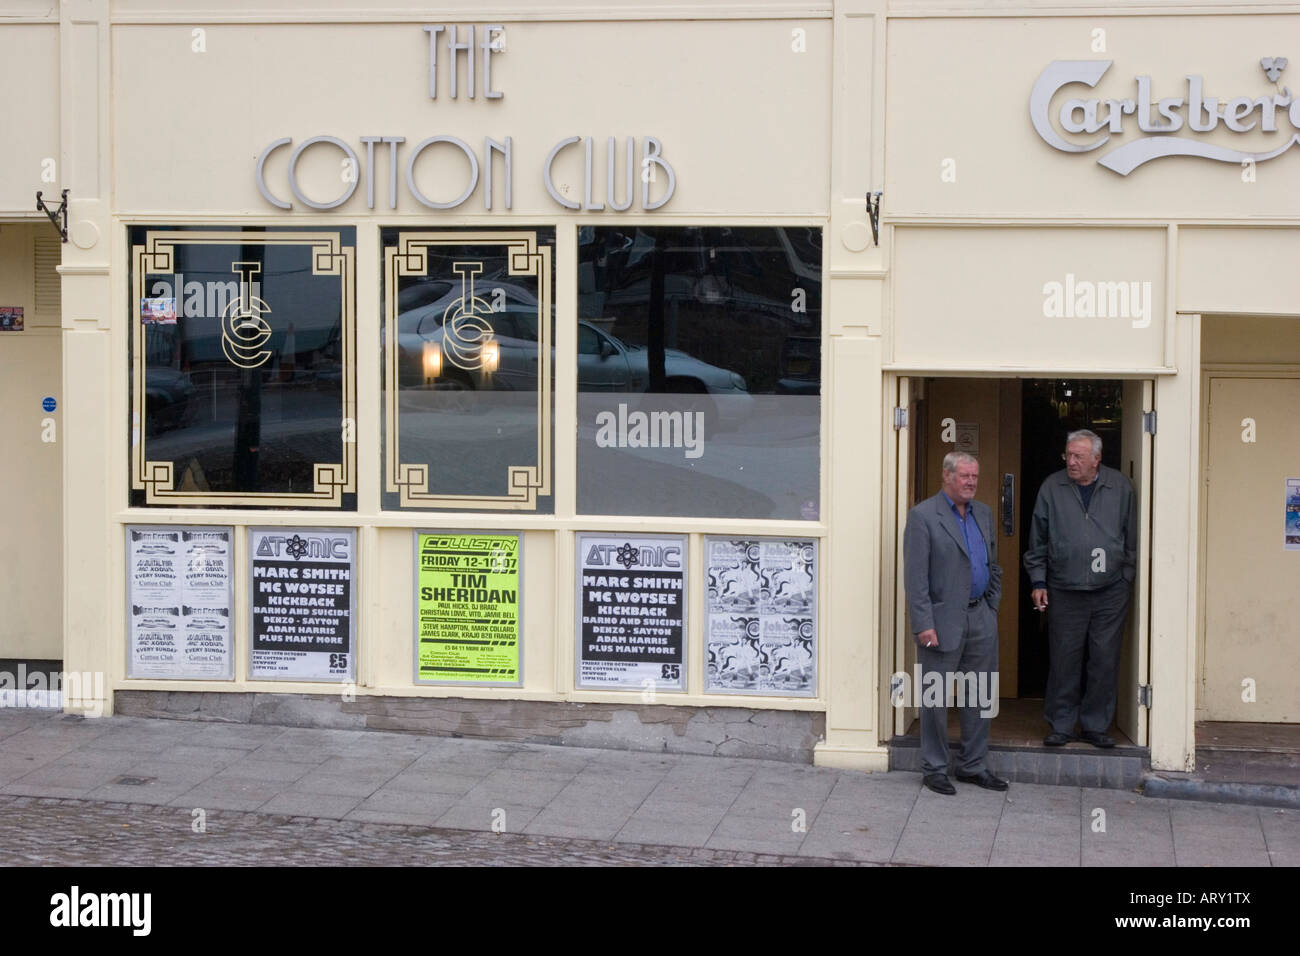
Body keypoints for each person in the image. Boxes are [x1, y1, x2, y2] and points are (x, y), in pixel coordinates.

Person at [1023, 429, 1136, 748]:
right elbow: (1037, 540)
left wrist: (1126, 575)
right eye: (1068, 455)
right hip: (1064, 588)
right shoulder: (1052, 487)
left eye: (1078, 456)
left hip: (1110, 590)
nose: (1071, 462)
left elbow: (1133, 536)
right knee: (1064, 659)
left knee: (1104, 659)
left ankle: (1095, 725)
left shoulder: (1120, 487)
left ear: (1096, 459)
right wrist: (1038, 580)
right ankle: (1061, 724)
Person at [903, 452, 1007, 795]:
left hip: (980, 616)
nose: (971, 482)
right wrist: (923, 623)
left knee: (980, 694)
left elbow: (992, 563)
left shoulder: (984, 513)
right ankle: (934, 768)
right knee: (935, 698)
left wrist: (991, 606)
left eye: (975, 476)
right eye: (965, 476)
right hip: (940, 621)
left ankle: (973, 765)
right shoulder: (923, 517)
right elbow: (915, 579)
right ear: (947, 476)